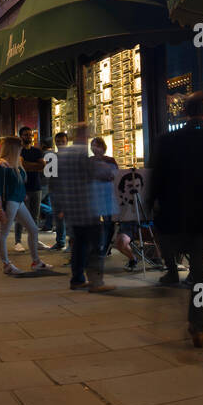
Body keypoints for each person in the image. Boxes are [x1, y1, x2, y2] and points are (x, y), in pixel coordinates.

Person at [150, 92, 203, 347]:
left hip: (171, 217)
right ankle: (197, 325)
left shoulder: (166, 141)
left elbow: (155, 181)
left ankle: (172, 273)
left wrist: (151, 212)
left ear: (184, 112)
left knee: (177, 261)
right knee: (199, 272)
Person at [50, 124, 114, 293]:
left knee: (79, 245)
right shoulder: (81, 155)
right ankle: (96, 282)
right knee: (95, 246)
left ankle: (77, 279)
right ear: (84, 136)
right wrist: (106, 166)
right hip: (87, 208)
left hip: (73, 209)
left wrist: (60, 206)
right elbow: (104, 173)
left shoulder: (64, 155)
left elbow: (54, 181)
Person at [0, 136, 51, 276]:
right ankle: (6, 264)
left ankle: (36, 261)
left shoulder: (16, 162)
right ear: (13, 148)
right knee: (4, 232)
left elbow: (21, 181)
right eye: (19, 146)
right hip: (10, 201)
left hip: (18, 200)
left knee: (33, 229)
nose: (21, 148)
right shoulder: (2, 165)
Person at [90, 137, 134, 259]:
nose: (94, 148)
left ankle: (105, 248)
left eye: (97, 145)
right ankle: (98, 247)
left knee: (108, 223)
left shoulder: (110, 160)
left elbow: (115, 176)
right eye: (93, 145)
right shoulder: (90, 161)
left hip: (107, 195)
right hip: (95, 195)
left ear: (103, 147)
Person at [14, 125, 43, 252]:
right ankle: (18, 242)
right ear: (21, 136)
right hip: (22, 188)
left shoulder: (37, 151)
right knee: (20, 216)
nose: (29, 137)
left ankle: (34, 240)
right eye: (26, 134)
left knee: (35, 216)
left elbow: (41, 166)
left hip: (36, 187)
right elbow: (20, 167)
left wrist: (26, 165)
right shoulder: (18, 151)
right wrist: (33, 165)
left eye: (30, 134)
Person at [48, 132, 68, 250]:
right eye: (58, 142)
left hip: (67, 191)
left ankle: (70, 243)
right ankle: (60, 241)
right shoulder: (52, 157)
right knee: (58, 217)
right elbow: (48, 174)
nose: (60, 144)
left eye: (62, 142)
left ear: (66, 142)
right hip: (55, 190)